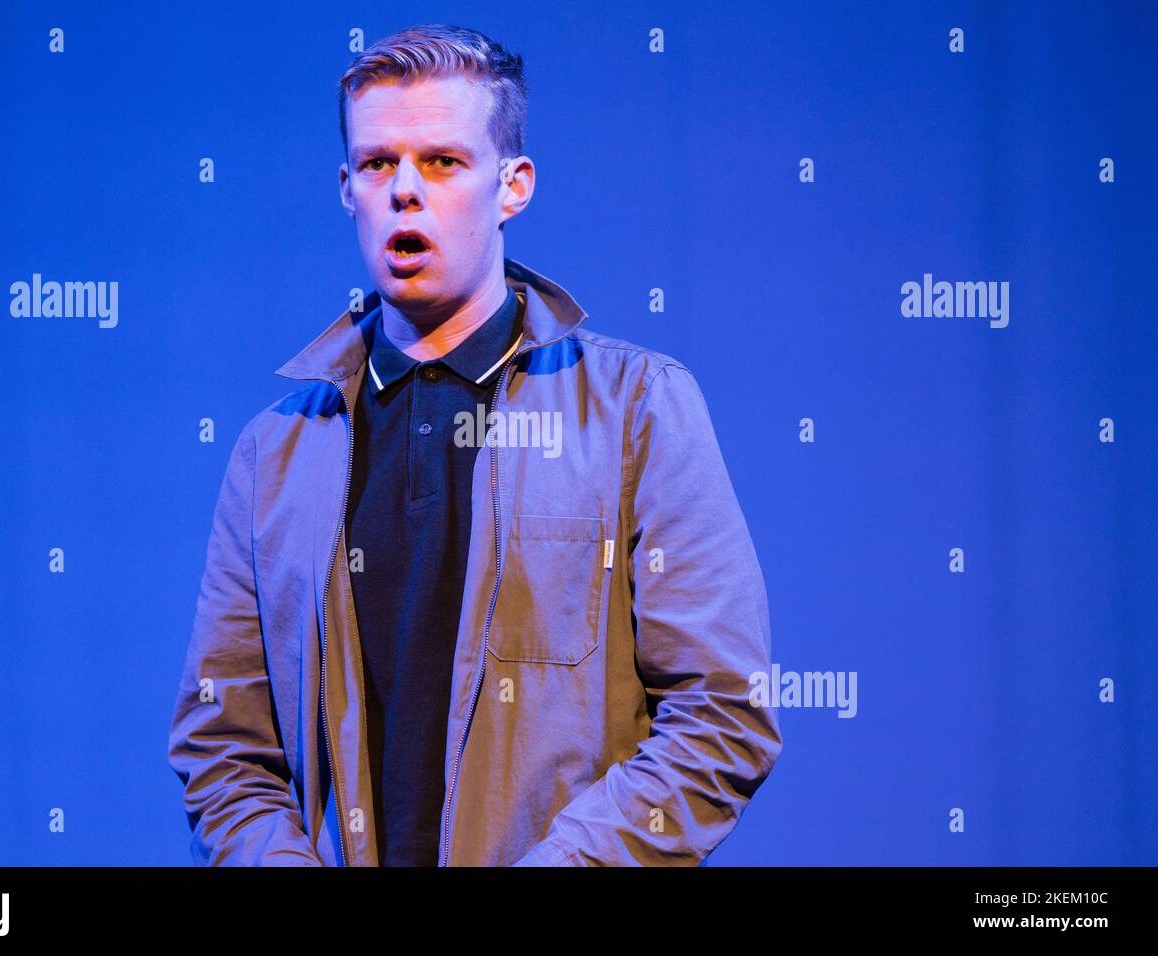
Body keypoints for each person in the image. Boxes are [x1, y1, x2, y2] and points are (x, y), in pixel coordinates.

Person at [167, 23, 782, 866]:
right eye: (379, 163)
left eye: (443, 162)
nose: (404, 191)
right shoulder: (273, 453)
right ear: (346, 188)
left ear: (512, 186)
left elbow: (722, 712)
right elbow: (222, 746)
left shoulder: (638, 408)